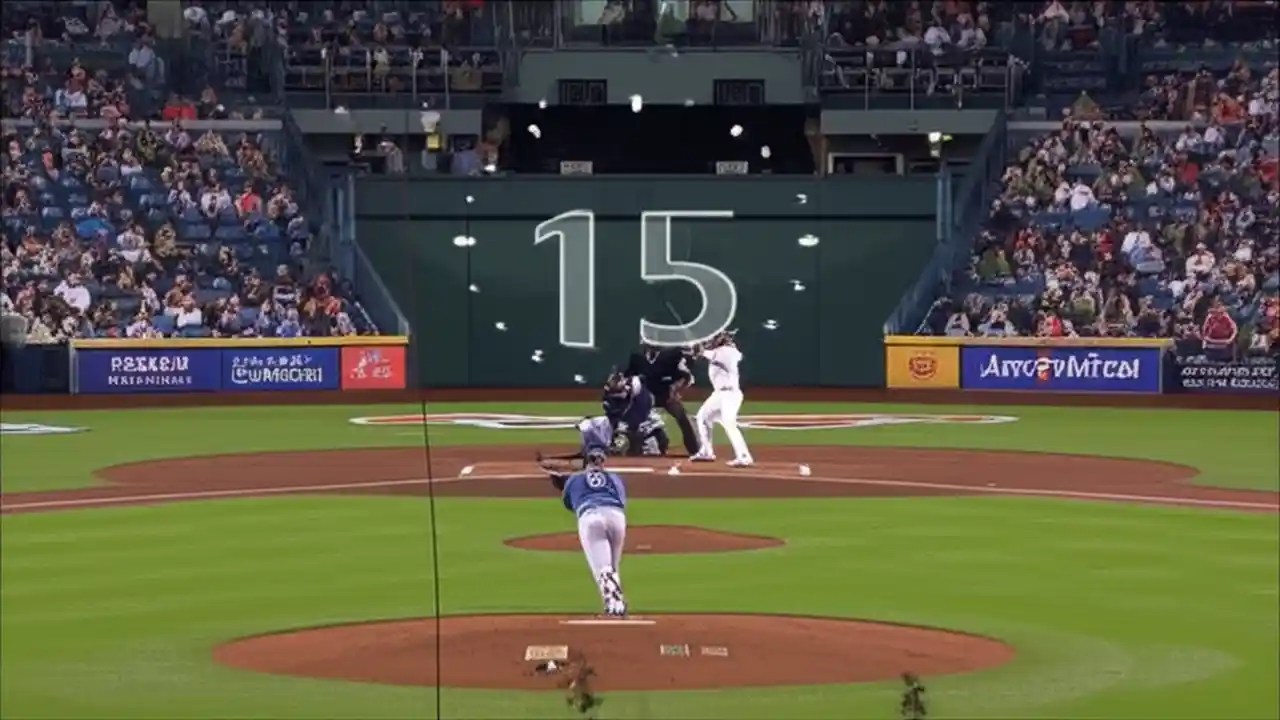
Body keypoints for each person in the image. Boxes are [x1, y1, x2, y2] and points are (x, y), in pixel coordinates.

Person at [542, 447, 629, 617]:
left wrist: (563, 484)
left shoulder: (575, 478)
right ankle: (616, 601)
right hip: (616, 517)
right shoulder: (614, 477)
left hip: (591, 518)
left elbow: (568, 503)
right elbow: (621, 500)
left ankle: (614, 606)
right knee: (612, 566)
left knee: (602, 567)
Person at [690, 329, 754, 466]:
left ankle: (744, 456)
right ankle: (706, 451)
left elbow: (710, 355)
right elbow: (704, 354)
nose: (711, 341)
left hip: (730, 394)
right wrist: (696, 350)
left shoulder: (728, 351)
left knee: (729, 423)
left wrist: (699, 350)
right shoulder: (719, 351)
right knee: (703, 417)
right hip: (719, 394)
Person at [624, 342, 699, 456]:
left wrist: (674, 391)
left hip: (665, 395)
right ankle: (633, 446)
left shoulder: (669, 357)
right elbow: (628, 376)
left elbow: (686, 377)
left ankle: (695, 450)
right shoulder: (637, 358)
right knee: (632, 417)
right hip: (645, 396)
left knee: (682, 416)